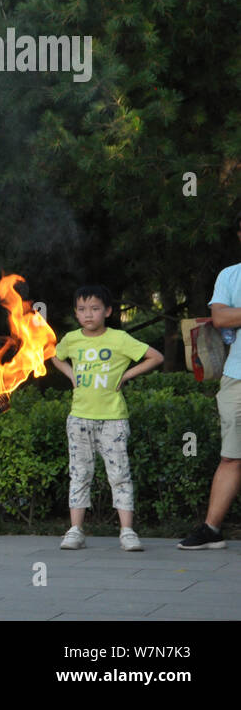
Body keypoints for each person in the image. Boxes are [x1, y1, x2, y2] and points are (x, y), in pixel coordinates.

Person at [48, 284, 163, 551]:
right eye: (82, 309)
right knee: (79, 474)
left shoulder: (120, 340)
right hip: (79, 419)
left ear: (108, 311)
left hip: (113, 419)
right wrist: (70, 374)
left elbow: (155, 357)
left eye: (95, 309)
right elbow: (54, 356)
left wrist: (126, 375)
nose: (88, 315)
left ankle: (127, 531)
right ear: (76, 313)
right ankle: (75, 530)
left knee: (120, 474)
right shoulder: (72, 339)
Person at [179, 213, 241, 549]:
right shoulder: (231, 276)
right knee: (232, 455)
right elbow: (220, 318)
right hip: (237, 376)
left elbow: (233, 315)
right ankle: (211, 529)